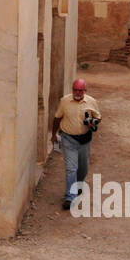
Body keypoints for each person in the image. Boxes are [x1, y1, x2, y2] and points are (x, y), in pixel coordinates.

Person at [51, 77, 102, 211]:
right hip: (69, 139)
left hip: (85, 140)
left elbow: (98, 117)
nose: (77, 93)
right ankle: (70, 197)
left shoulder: (91, 102)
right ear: (72, 89)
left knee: (83, 168)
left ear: (85, 90)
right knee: (71, 168)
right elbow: (57, 118)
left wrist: (93, 122)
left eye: (80, 90)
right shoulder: (65, 101)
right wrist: (53, 135)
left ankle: (78, 185)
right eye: (75, 90)